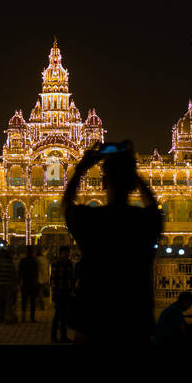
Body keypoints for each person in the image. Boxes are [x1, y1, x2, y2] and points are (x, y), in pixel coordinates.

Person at [62, 140, 163, 346]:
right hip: (134, 327)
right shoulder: (143, 222)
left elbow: (65, 204)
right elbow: (153, 206)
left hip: (93, 324)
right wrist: (133, 169)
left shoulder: (92, 221)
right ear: (131, 182)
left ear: (103, 182)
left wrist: (83, 166)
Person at [49, 244, 76, 343]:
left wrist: (72, 291)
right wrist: (54, 295)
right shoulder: (56, 264)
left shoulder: (69, 264)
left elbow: (72, 279)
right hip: (59, 293)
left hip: (67, 292)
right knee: (58, 315)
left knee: (64, 316)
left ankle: (63, 336)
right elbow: (52, 280)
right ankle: (53, 336)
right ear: (60, 254)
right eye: (64, 253)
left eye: (67, 253)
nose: (66, 255)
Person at [18, 246, 40, 322]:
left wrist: (20, 282)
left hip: (25, 283)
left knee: (24, 301)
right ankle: (32, 317)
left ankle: (23, 317)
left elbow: (20, 272)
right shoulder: (34, 261)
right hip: (32, 283)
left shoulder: (23, 261)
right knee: (32, 301)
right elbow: (36, 273)